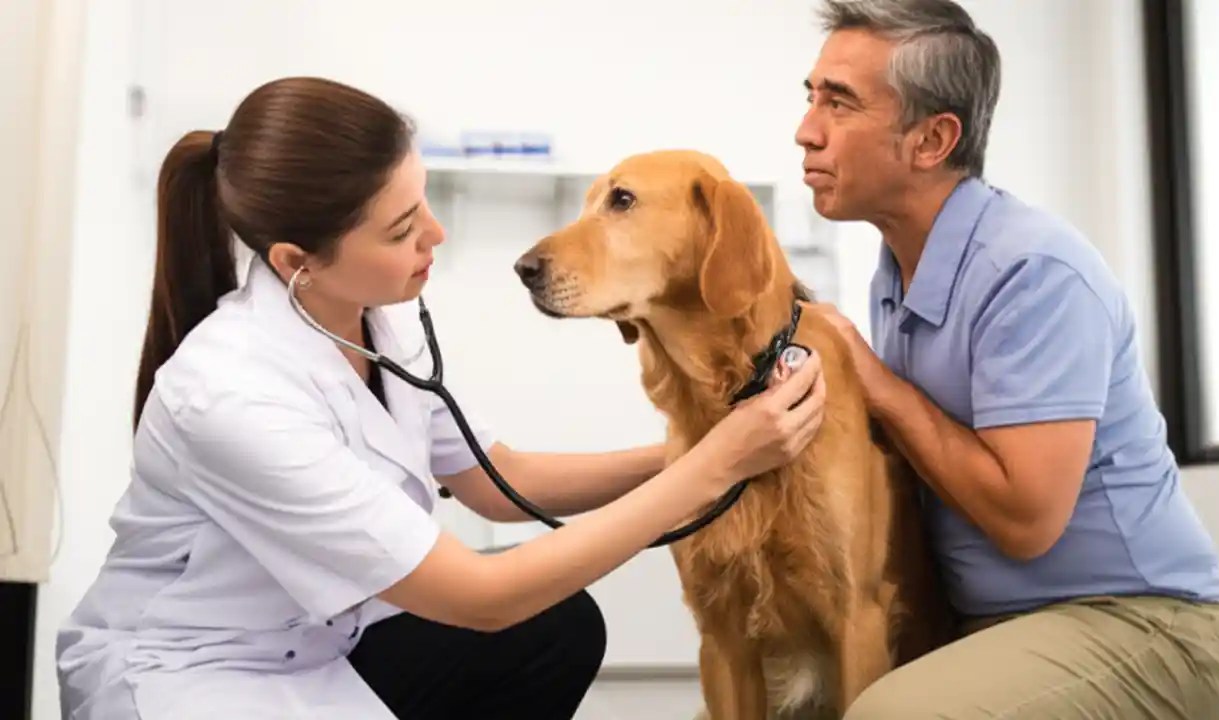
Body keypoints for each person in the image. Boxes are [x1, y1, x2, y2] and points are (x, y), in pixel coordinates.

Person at [55, 76, 827, 720]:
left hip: (319, 646)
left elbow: (501, 479)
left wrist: (696, 451)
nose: (437, 235)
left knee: (555, 628)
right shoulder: (229, 396)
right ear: (299, 262)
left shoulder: (375, 323)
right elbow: (483, 595)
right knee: (515, 611)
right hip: (196, 679)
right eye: (401, 230)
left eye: (422, 202)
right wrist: (716, 466)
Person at [793, 1, 1219, 718]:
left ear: (933, 139)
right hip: (994, 622)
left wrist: (871, 380)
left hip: (1142, 623)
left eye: (839, 103)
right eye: (811, 97)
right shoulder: (897, 271)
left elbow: (1027, 523)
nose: (806, 130)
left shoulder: (1032, 269)